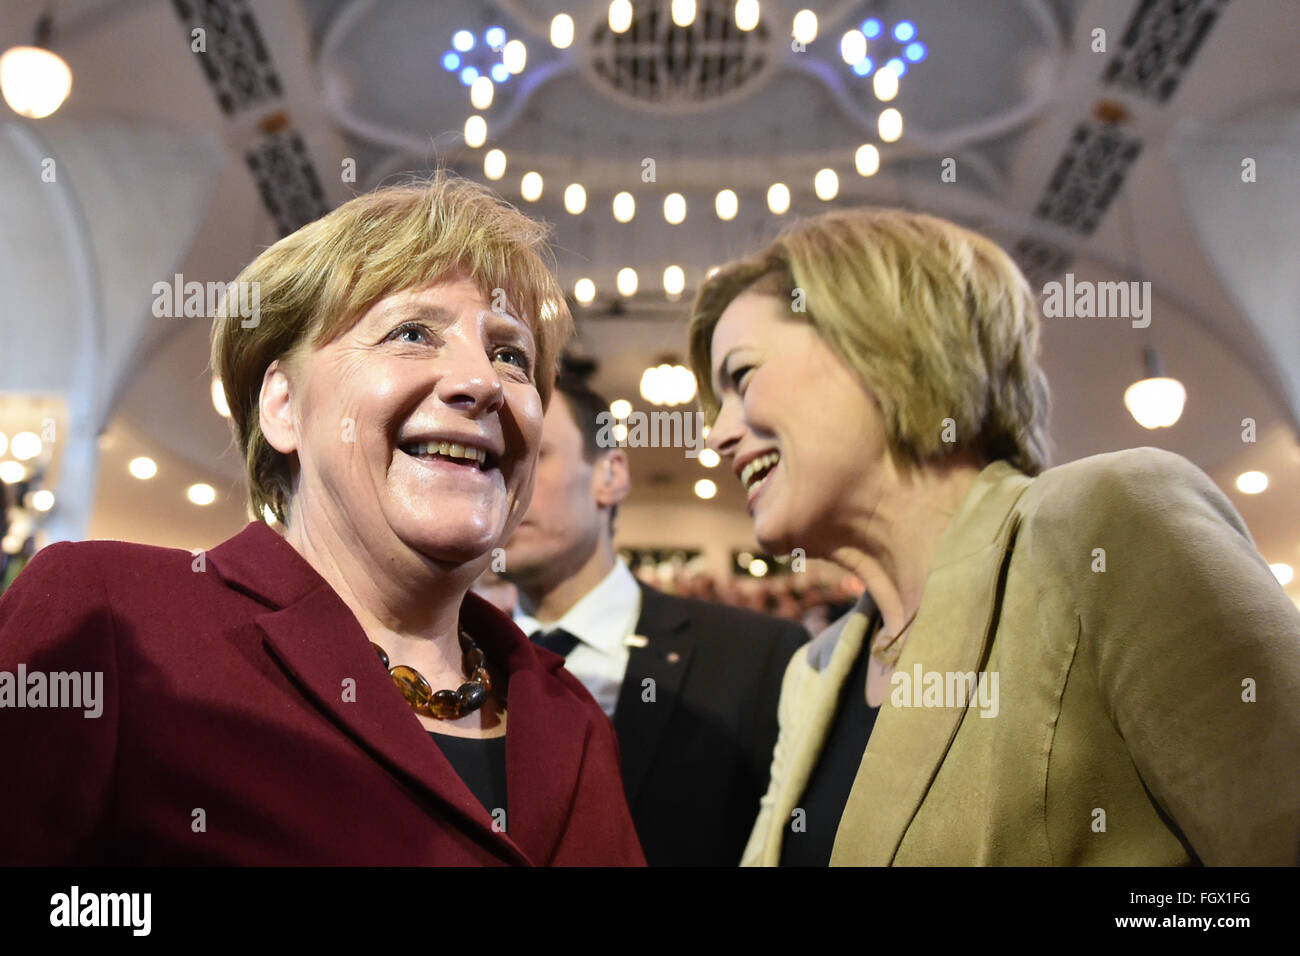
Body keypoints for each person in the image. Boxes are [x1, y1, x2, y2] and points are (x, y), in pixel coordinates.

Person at [0, 175, 645, 866]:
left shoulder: (568, 714)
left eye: (510, 354)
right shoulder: (113, 615)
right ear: (282, 405)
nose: (482, 382)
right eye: (412, 333)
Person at [688, 207, 1300, 866]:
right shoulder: (814, 673)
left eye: (742, 378)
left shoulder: (1107, 520)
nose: (716, 433)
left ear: (882, 344)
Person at [500, 373, 808, 866]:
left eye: (531, 454)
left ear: (610, 475)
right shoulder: (454, 666)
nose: (505, 483)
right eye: (489, 460)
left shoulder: (754, 656)